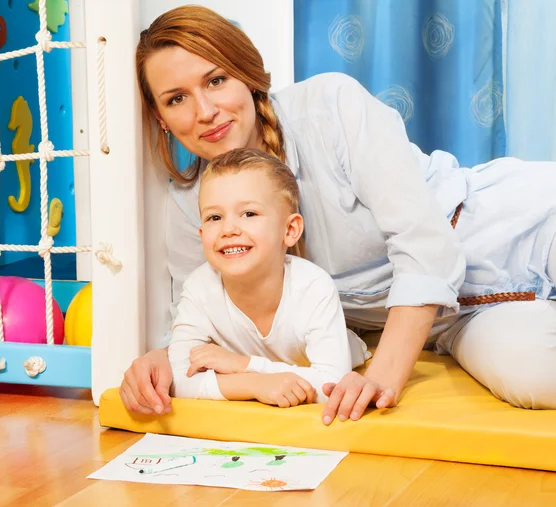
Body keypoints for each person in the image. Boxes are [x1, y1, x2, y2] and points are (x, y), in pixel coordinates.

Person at [120, 5, 556, 423]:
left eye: (215, 80)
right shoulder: (188, 207)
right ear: (160, 117)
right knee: (535, 374)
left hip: (516, 228)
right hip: (455, 319)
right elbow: (203, 318)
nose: (204, 112)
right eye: (176, 99)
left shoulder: (329, 107)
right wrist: (159, 361)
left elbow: (426, 247)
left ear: (247, 74)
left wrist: (383, 379)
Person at [165, 148, 369, 407]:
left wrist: (245, 365)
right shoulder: (199, 288)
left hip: (344, 352)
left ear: (290, 230)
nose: (228, 229)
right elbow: (179, 380)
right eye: (215, 217)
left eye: (249, 214)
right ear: (202, 232)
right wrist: (255, 383)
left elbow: (332, 385)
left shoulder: (314, 287)